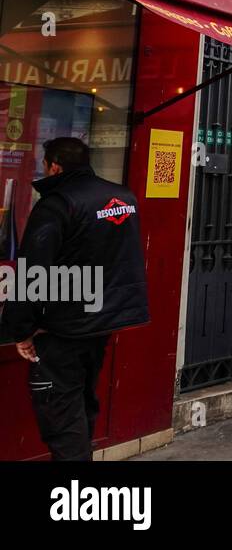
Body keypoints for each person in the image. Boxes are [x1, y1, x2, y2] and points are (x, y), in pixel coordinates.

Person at [0, 138, 149, 461]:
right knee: (81, 405)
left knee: (62, 415)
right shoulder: (123, 196)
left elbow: (31, 272)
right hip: (102, 322)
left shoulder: (58, 203)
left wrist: (20, 329)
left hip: (64, 329)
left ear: (54, 166)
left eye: (44, 165)